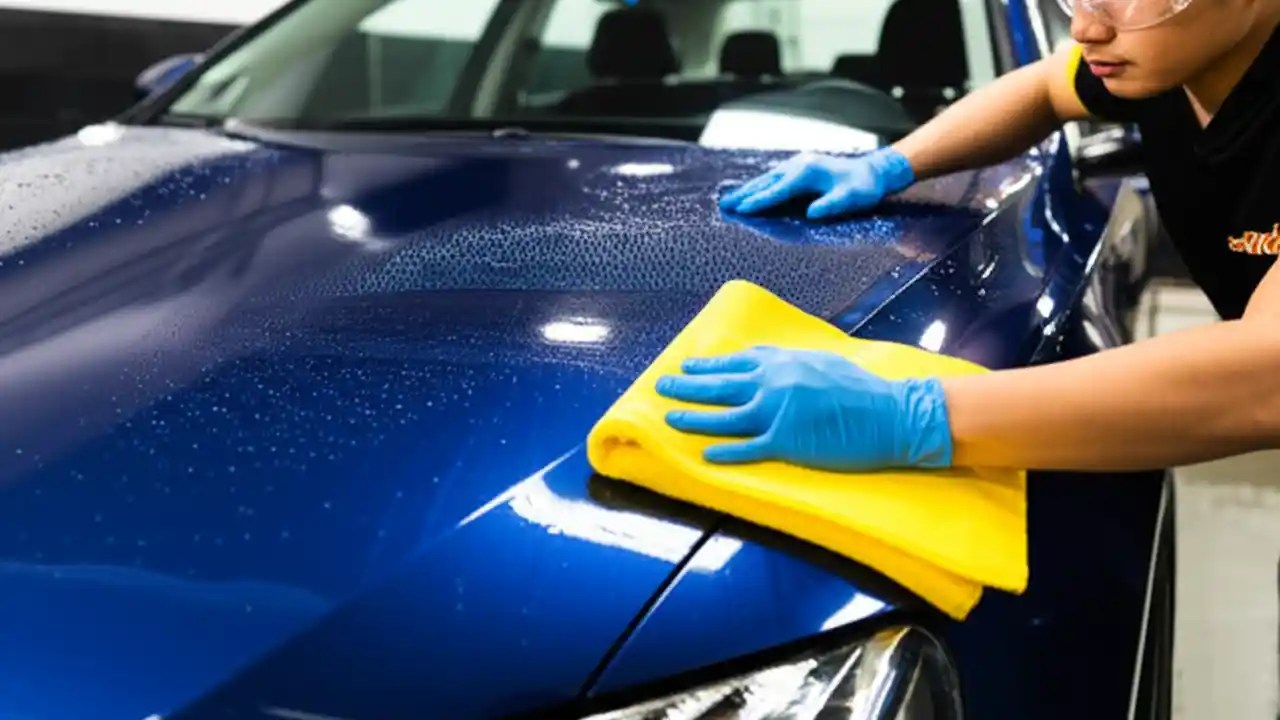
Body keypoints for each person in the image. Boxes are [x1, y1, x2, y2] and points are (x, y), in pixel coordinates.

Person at [657, 0, 1280, 473]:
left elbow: (1266, 377)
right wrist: (891, 165)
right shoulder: (1166, 57)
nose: (1088, 28)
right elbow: (1044, 87)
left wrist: (913, 415)